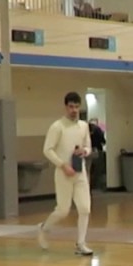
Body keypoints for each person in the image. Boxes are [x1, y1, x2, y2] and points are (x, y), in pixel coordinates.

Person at [37, 92, 94, 256]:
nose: (74, 110)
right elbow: (47, 150)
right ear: (65, 107)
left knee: (85, 208)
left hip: (79, 172)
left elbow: (88, 147)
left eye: (76, 107)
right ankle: (43, 228)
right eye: (71, 107)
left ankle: (81, 243)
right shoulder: (57, 126)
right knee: (63, 210)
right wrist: (62, 165)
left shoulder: (83, 126)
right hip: (63, 174)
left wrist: (85, 151)